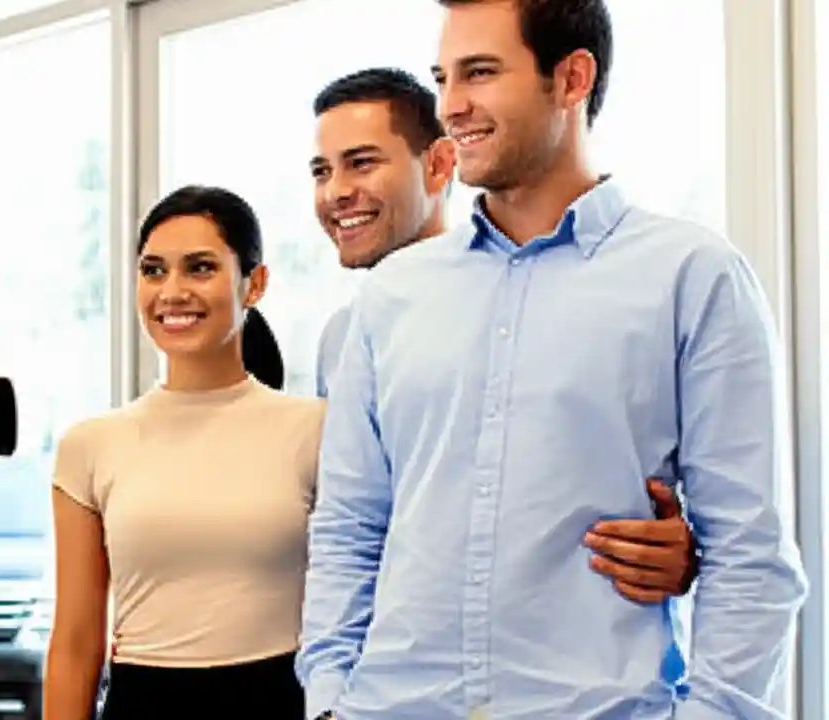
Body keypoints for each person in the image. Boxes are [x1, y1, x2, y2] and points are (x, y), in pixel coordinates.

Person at [297, 0, 808, 717]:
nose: (451, 106)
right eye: (442, 77)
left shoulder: (692, 277)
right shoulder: (392, 298)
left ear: (570, 79)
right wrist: (328, 700)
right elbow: (350, 528)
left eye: (479, 74)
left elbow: (750, 560)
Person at [310, 67, 697, 605]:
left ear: (441, 163)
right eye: (321, 171)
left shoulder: (568, 298)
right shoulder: (343, 335)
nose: (337, 193)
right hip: (396, 667)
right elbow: (352, 521)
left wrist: (688, 554)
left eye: (362, 163)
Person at [45, 185, 322, 719]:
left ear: (254, 283)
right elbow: (76, 645)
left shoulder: (315, 431)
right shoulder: (91, 445)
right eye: (153, 271)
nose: (172, 291)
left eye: (200, 268)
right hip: (143, 705)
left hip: (280, 702)